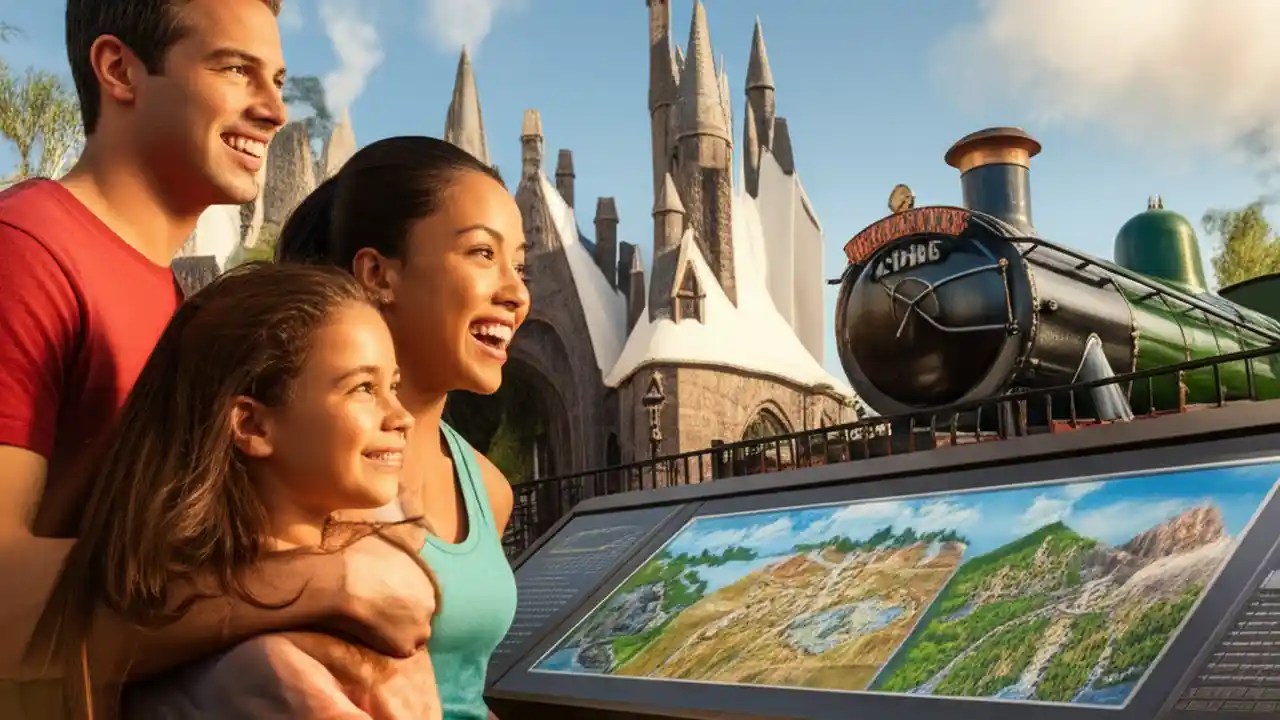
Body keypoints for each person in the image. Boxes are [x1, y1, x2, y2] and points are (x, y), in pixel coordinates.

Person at [0, 0, 434, 714]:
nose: (273, 110)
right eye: (235, 70)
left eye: (277, 80)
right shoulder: (29, 255)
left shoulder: (172, 297)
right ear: (119, 69)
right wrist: (325, 582)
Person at [25, 262, 441, 720]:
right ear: (252, 424)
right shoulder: (275, 674)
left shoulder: (179, 605)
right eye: (363, 388)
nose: (400, 415)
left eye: (393, 386)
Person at [275, 136, 529, 719]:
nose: (516, 293)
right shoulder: (299, 472)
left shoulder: (489, 492)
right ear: (378, 274)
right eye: (482, 254)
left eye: (521, 264)